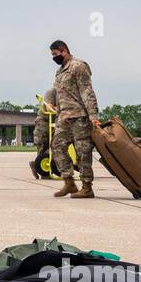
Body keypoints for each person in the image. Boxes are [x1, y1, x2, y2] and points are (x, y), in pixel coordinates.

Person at [49, 41, 99, 198]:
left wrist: (93, 116)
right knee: (57, 145)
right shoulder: (60, 72)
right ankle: (69, 182)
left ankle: (87, 186)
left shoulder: (79, 66)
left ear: (64, 51)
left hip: (80, 117)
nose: (54, 58)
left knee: (82, 151)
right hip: (64, 116)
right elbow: (61, 94)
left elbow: (87, 92)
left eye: (55, 54)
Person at [29, 87, 57, 179]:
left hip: (55, 122)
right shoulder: (51, 92)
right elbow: (48, 108)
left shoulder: (67, 94)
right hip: (44, 121)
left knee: (57, 145)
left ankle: (37, 165)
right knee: (42, 147)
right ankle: (41, 169)